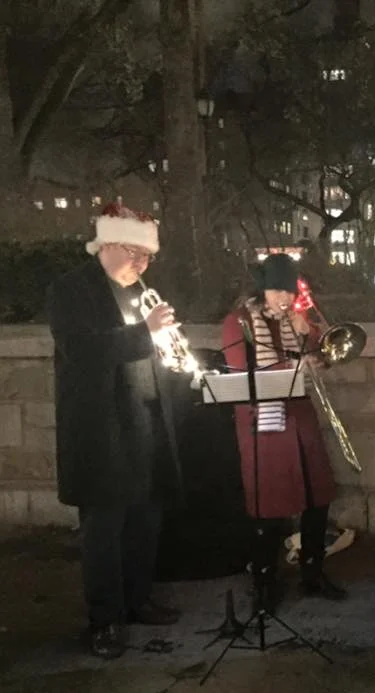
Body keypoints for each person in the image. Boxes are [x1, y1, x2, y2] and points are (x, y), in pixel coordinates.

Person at [49, 202, 184, 659]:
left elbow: (153, 350)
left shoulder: (140, 290)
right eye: (133, 252)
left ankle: (137, 597)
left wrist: (172, 348)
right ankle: (104, 619)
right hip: (103, 428)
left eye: (147, 256)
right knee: (104, 528)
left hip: (145, 421)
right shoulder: (72, 289)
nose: (142, 264)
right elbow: (81, 350)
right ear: (105, 244)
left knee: (146, 519)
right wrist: (146, 332)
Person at [220, 253, 346, 606]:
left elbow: (327, 354)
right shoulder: (239, 321)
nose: (285, 298)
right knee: (270, 504)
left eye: (289, 291)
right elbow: (240, 368)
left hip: (299, 415)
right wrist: (294, 364)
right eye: (277, 290)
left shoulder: (297, 319)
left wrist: (313, 337)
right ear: (262, 289)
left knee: (317, 496)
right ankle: (264, 580)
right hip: (263, 422)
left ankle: (313, 573)